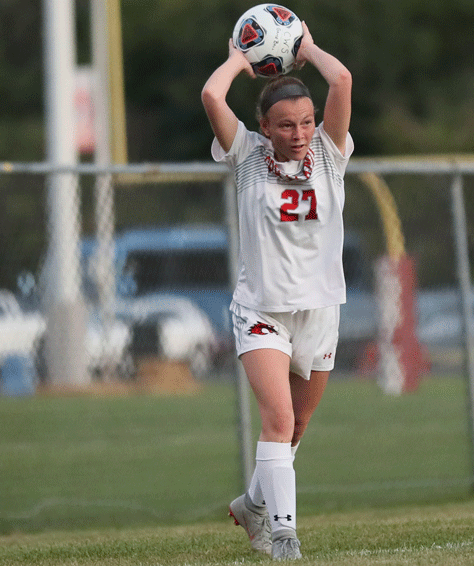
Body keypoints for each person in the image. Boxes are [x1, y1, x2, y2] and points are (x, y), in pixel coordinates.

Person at [201, 19, 352, 561]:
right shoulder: (246, 158)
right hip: (262, 310)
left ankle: (251, 504)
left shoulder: (331, 157)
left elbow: (343, 80)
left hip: (320, 310)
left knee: (297, 427)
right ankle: (282, 534)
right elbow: (211, 94)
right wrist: (242, 57)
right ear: (263, 127)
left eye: (306, 122)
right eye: (285, 125)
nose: (299, 133)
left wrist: (305, 48)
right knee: (278, 420)